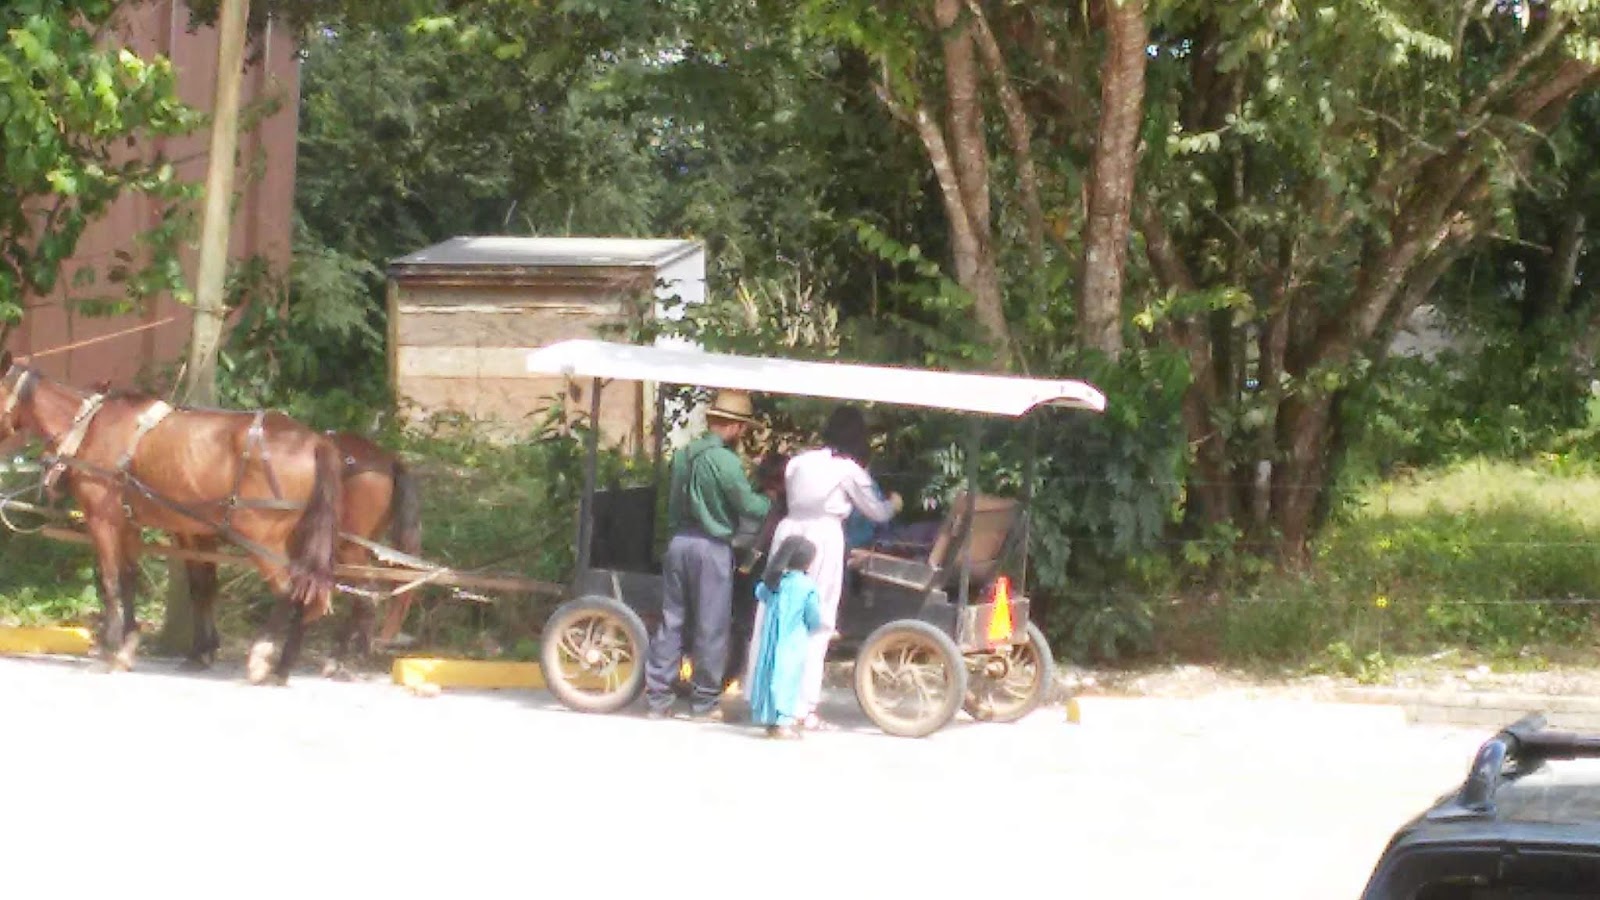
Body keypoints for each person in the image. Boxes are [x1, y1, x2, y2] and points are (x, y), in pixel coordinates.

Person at [750, 405, 900, 732]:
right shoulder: (848, 470)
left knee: (777, 615)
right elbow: (876, 512)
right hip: (823, 538)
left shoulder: (799, 462)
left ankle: (767, 698)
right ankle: (804, 706)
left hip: (788, 532)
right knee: (816, 618)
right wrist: (894, 505)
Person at [645, 388, 774, 721]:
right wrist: (770, 500)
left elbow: (672, 505)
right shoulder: (725, 461)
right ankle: (703, 702)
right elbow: (748, 507)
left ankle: (658, 698)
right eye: (743, 427)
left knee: (672, 621)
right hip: (711, 548)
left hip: (679, 544)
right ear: (734, 427)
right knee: (711, 624)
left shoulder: (684, 454)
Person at [745, 535, 824, 740]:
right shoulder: (807, 586)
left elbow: (760, 593)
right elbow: (813, 616)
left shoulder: (775, 583)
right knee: (787, 679)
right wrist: (819, 627)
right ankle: (782, 724)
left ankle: (769, 719)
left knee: (769, 676)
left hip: (770, 641)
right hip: (793, 642)